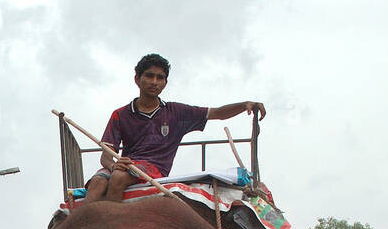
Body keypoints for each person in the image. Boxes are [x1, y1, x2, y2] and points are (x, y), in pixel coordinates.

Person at [82, 52, 266, 204]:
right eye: (149, 76)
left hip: (153, 169)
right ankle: (83, 225)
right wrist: (114, 164)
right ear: (137, 79)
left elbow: (216, 113)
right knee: (97, 182)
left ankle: (111, 223)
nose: (154, 81)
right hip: (124, 165)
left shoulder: (176, 113)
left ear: (165, 83)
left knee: (118, 178)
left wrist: (244, 105)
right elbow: (106, 153)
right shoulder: (120, 114)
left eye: (160, 77)